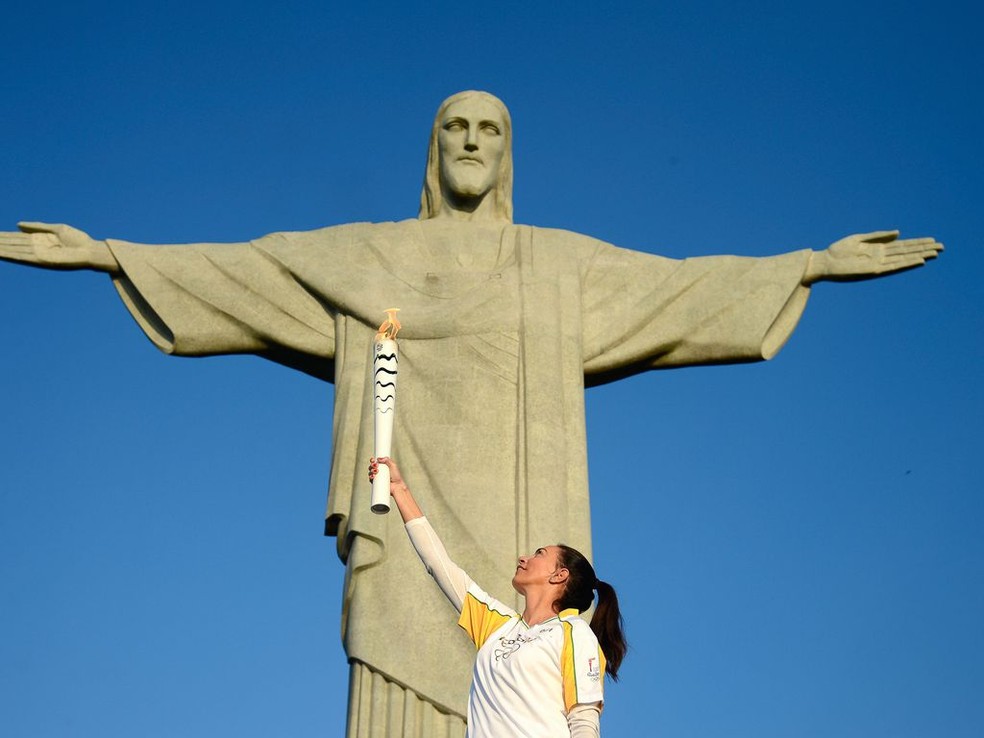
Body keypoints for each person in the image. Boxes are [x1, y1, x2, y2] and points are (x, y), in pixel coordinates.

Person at [0, 90, 942, 736]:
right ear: (432, 146)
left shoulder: (555, 268)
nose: (470, 144)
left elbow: (677, 291)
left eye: (489, 130)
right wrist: (109, 254)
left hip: (523, 522)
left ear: (509, 153)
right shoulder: (367, 255)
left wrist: (806, 264)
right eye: (454, 128)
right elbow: (252, 271)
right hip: (402, 523)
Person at [370, 455, 626, 738]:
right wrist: (400, 489)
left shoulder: (574, 632)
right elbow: (438, 563)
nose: (524, 557)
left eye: (539, 554)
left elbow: (584, 722)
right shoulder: (497, 625)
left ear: (560, 575)